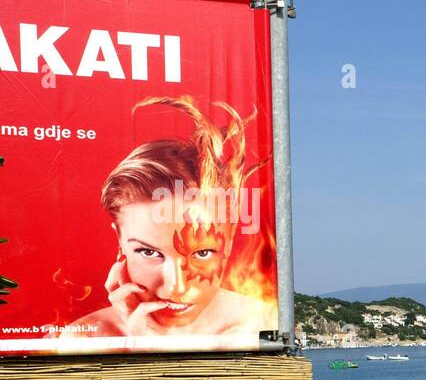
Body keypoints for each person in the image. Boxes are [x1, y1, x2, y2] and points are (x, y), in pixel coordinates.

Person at [59, 96, 276, 349]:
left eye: (202, 252)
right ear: (119, 239)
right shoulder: (86, 339)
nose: (176, 286)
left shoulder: (262, 323)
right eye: (148, 252)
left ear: (227, 242)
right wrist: (135, 347)